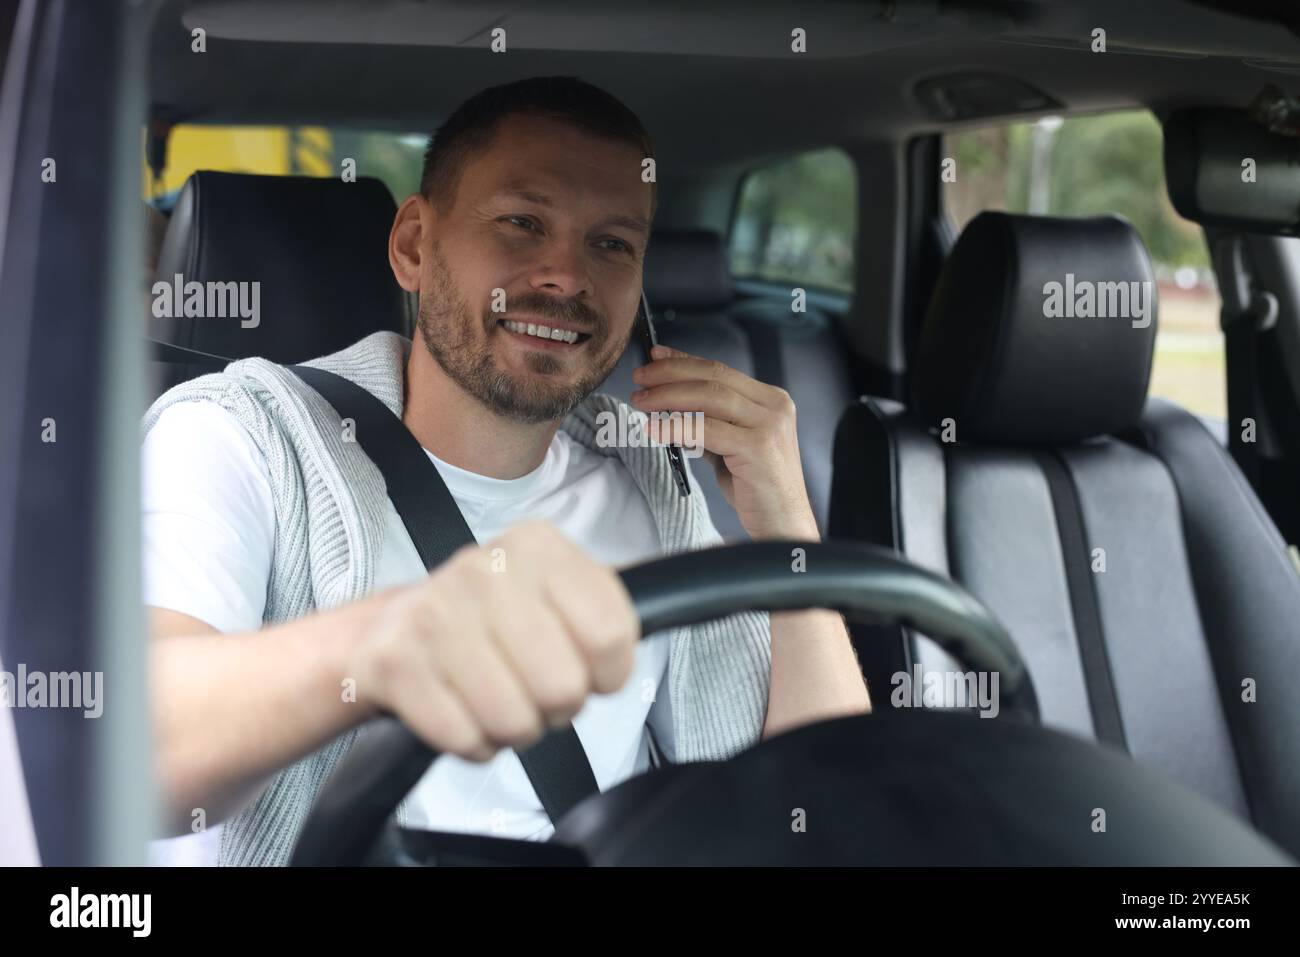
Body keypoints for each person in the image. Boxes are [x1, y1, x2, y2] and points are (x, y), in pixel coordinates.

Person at [142, 75, 870, 866]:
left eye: (612, 243)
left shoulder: (649, 470)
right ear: (415, 245)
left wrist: (790, 523)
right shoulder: (238, 434)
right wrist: (381, 642)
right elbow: (137, 759)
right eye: (523, 222)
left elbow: (824, 809)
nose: (566, 277)